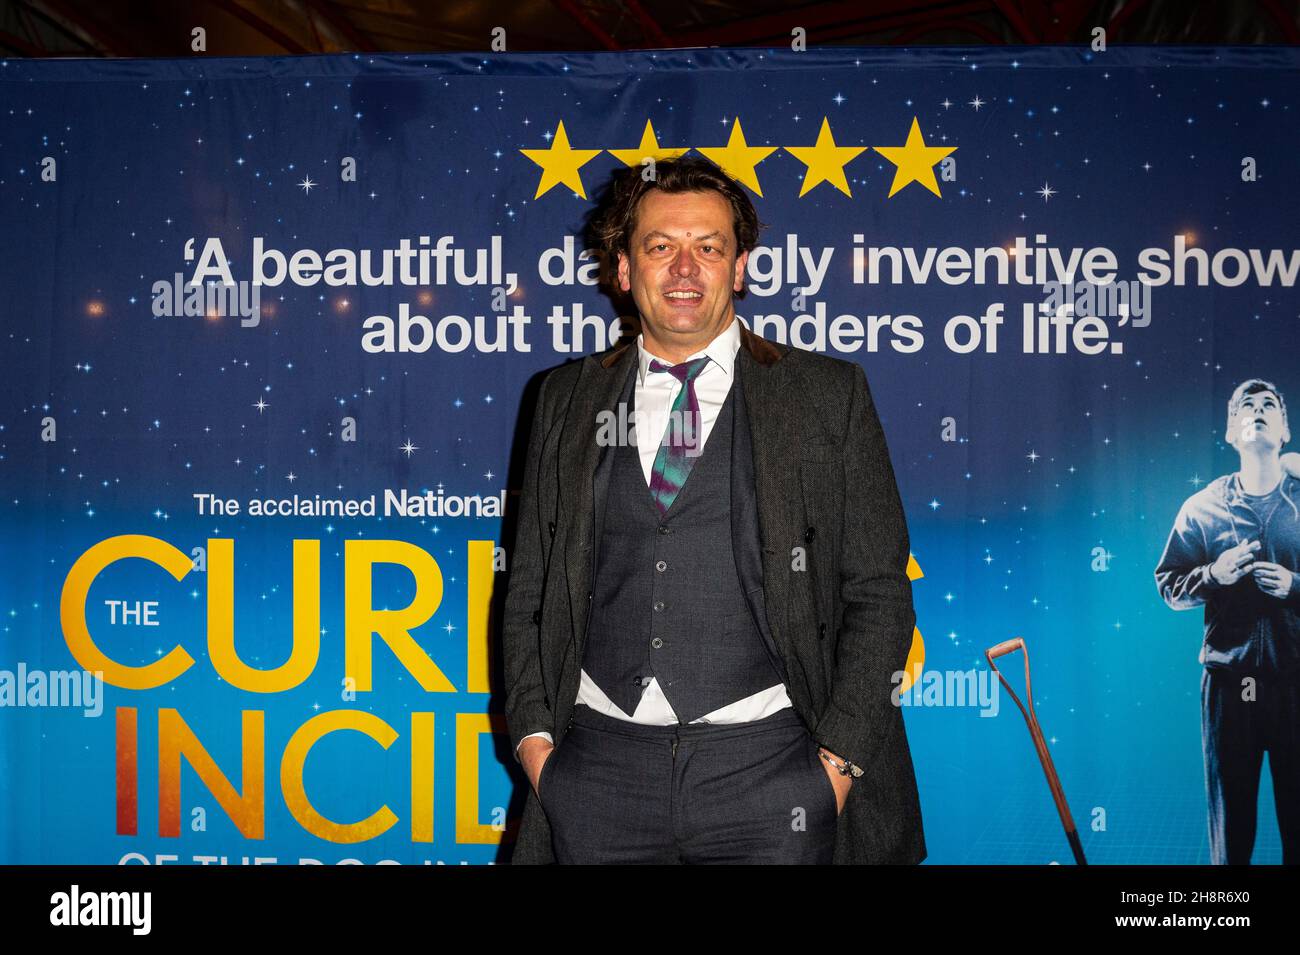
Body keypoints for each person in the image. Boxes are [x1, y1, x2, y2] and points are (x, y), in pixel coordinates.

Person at [502, 155, 923, 864]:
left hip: (774, 777)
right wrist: (539, 748)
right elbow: (530, 591)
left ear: (741, 266)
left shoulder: (827, 394)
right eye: (661, 246)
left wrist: (837, 769)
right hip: (598, 776)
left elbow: (879, 593)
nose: (686, 267)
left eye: (709, 247)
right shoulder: (565, 399)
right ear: (625, 269)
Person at [1155, 378, 1300, 863]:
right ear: (1231, 432)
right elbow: (1169, 586)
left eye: (1268, 406)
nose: (1256, 412)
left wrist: (1295, 586)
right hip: (1229, 691)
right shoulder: (1202, 509)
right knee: (1230, 837)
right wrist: (1212, 574)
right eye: (1246, 407)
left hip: (1296, 687)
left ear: (1285, 431)